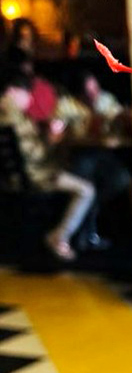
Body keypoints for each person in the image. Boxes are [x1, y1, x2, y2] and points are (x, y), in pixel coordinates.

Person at [0, 64, 95, 261]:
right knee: (86, 189)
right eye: (27, 95)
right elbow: (35, 156)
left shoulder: (9, 115)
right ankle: (59, 237)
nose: (29, 100)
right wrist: (53, 140)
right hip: (36, 176)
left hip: (14, 176)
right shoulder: (14, 116)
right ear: (13, 91)